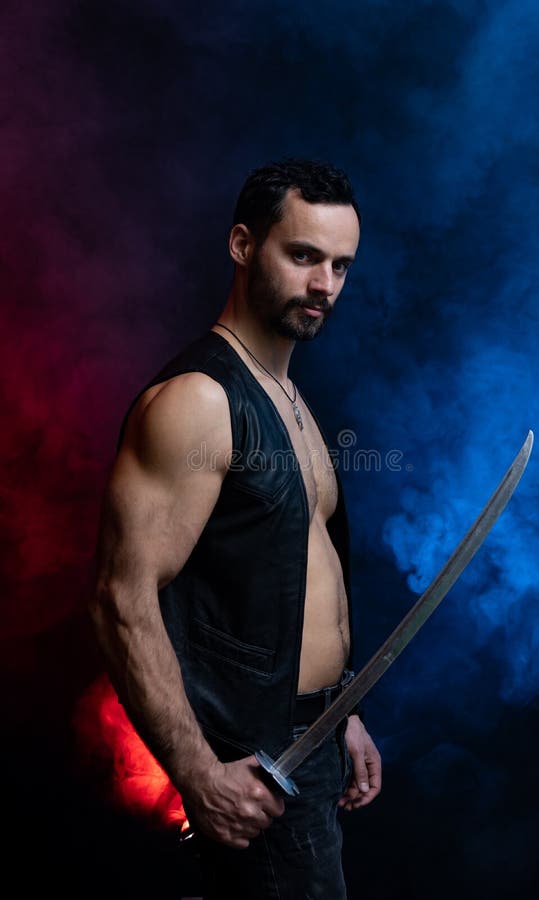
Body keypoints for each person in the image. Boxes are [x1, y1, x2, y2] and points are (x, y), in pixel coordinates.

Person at [89, 157, 382, 899]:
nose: (326, 286)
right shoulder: (200, 401)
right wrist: (197, 773)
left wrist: (337, 711)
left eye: (341, 265)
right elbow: (122, 600)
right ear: (244, 245)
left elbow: (295, 583)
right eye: (305, 256)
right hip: (252, 765)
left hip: (308, 740)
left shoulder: (286, 395)